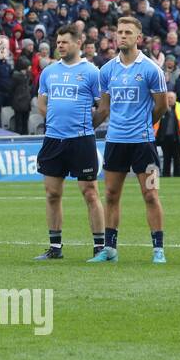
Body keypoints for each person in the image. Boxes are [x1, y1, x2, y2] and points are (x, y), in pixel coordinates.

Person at [97, 17, 170, 264]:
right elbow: (104, 107)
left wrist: (144, 125)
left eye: (128, 32)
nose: (122, 36)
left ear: (138, 38)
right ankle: (110, 249)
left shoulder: (151, 69)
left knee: (150, 194)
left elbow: (162, 106)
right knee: (111, 195)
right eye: (119, 32)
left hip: (144, 144)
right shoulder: (107, 70)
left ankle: (158, 249)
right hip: (115, 142)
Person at [32, 27, 105, 262]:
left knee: (90, 193)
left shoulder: (92, 72)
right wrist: (52, 118)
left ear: (78, 43)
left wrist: (86, 127)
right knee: (52, 193)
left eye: (65, 42)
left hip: (81, 140)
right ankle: (55, 247)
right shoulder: (49, 72)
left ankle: (99, 247)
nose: (60, 45)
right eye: (58, 41)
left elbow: (103, 107)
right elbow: (41, 102)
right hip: (53, 139)